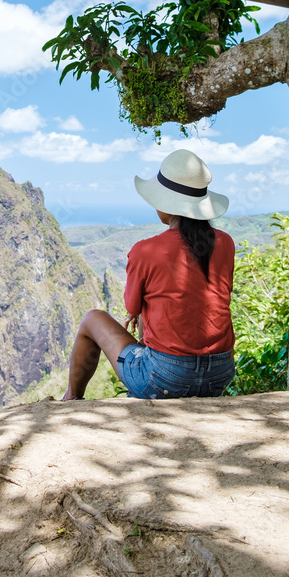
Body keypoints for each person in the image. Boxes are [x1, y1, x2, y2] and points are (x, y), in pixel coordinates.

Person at [63, 149, 236, 400]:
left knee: (92, 318)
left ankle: (71, 399)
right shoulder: (226, 243)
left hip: (168, 379)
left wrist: (141, 313)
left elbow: (132, 306)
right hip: (219, 374)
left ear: (167, 204)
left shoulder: (146, 251)